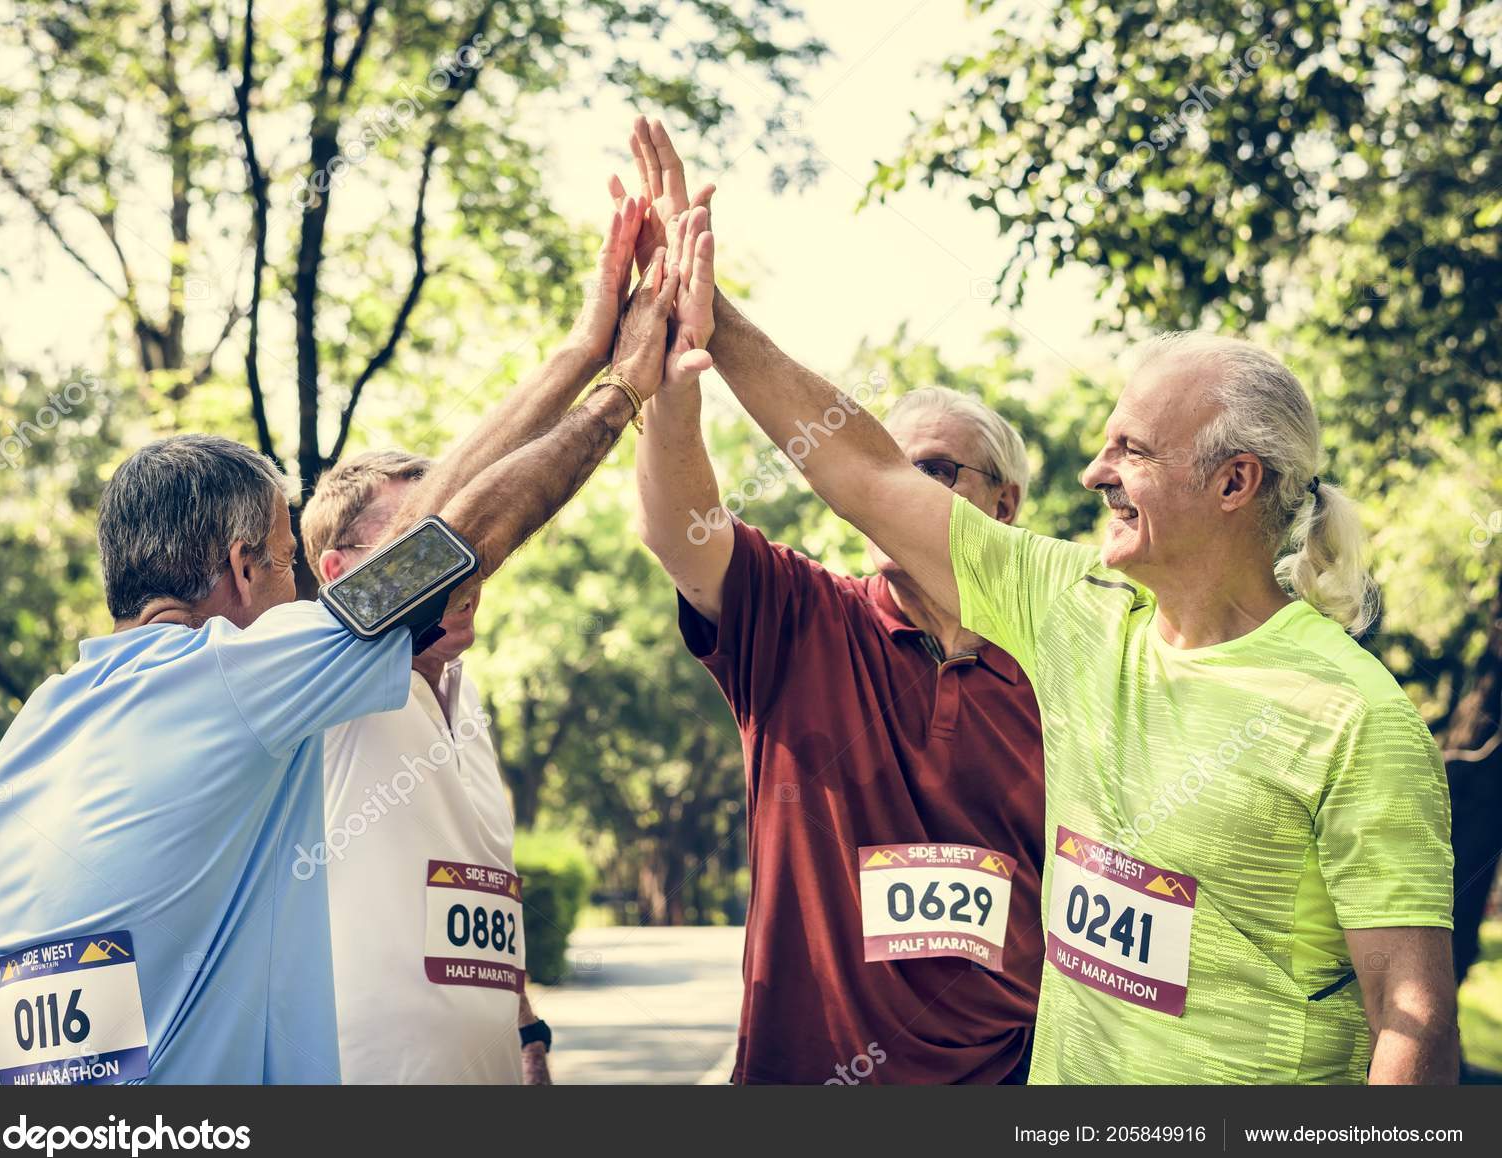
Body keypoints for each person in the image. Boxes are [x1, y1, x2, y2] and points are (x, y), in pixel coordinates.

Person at [0, 198, 710, 1084]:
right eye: (288, 567)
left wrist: (582, 349)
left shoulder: (27, 737)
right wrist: (619, 386)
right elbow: (444, 546)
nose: (307, 594)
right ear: (242, 569)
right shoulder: (234, 674)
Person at [691, 275, 1458, 1082]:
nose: (1095, 473)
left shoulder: (1354, 713)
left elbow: (1415, 1021)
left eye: (1132, 450)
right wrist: (713, 317)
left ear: (1234, 482)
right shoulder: (1075, 606)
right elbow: (870, 478)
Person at [619, 121, 1045, 1084]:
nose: (898, 493)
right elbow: (679, 525)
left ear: (1003, 505)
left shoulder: (1066, 652)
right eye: (888, 470)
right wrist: (675, 378)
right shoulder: (805, 617)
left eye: (934, 471)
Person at [299, 453, 540, 1084]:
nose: (461, 567)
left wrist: (528, 1035)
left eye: (464, 542)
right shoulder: (330, 679)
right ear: (339, 573)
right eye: (424, 545)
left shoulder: (470, 690)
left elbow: (482, 892)